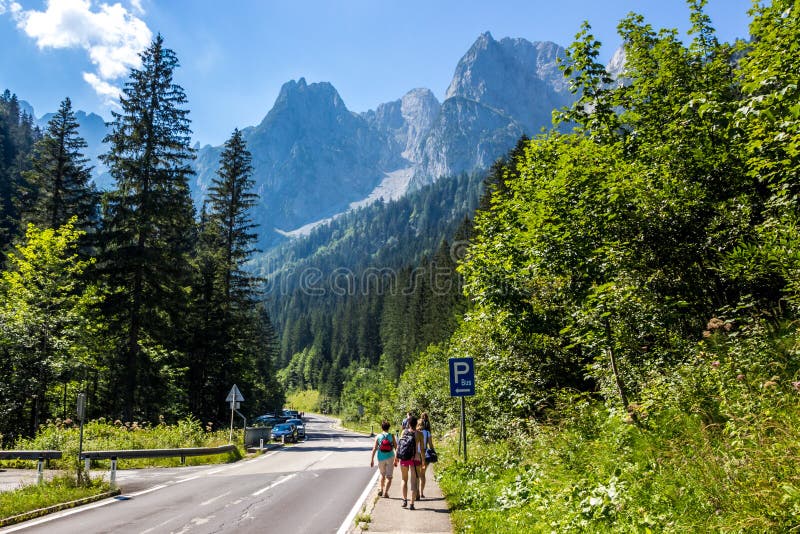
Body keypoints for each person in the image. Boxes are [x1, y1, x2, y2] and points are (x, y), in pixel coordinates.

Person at [396, 414, 425, 510]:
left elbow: (399, 445)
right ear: (416, 424)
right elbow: (422, 449)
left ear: (408, 423)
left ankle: (404, 500)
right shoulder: (420, 434)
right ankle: (412, 504)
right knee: (414, 482)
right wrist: (423, 461)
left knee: (404, 479)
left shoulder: (404, 432)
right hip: (415, 459)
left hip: (404, 457)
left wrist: (396, 457)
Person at [370, 420, 397, 498]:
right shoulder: (392, 436)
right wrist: (396, 458)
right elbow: (396, 447)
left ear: (382, 427)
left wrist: (372, 459)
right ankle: (386, 492)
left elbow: (374, 448)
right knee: (389, 476)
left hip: (381, 457)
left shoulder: (378, 436)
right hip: (390, 457)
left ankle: (381, 489)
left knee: (382, 474)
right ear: (389, 427)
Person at [417, 419, 434, 499]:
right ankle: (421, 492)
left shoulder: (415, 432)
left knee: (416, 475)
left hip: (416, 455)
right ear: (424, 424)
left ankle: (416, 492)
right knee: (423, 474)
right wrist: (433, 452)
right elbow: (430, 444)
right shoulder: (427, 433)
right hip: (425, 454)